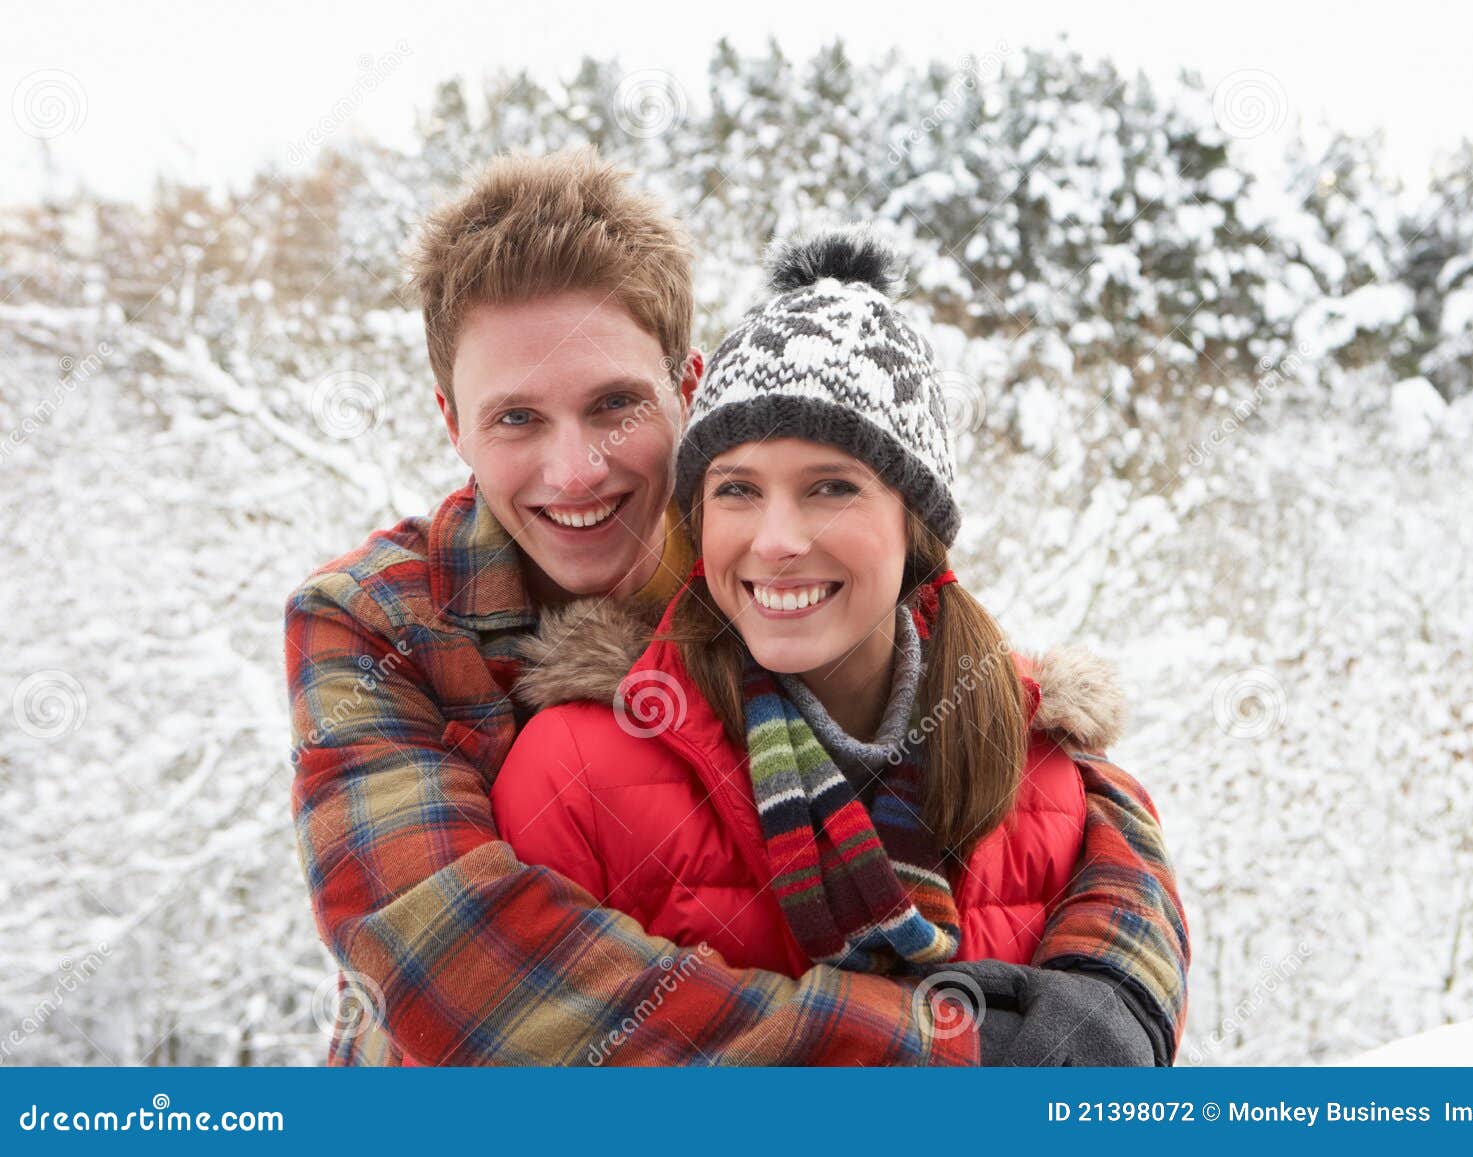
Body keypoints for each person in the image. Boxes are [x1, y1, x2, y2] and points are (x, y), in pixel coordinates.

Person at [286, 150, 983, 1065]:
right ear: (451, 420)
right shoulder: (372, 620)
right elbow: (455, 963)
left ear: (686, 386)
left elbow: (1037, 751)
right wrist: (949, 1059)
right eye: (516, 419)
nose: (576, 471)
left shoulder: (770, 567)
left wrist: (1115, 979)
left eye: (615, 404)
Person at [491, 227, 1190, 1065]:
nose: (778, 539)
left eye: (831, 487)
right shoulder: (573, 771)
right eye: (738, 490)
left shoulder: (1040, 765)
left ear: (915, 525)